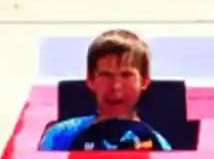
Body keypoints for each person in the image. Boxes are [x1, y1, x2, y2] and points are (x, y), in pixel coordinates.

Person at [40, 29, 173, 151]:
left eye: (126, 75)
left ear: (144, 81)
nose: (116, 86)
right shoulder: (60, 137)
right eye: (106, 75)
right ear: (91, 80)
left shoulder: (157, 145)